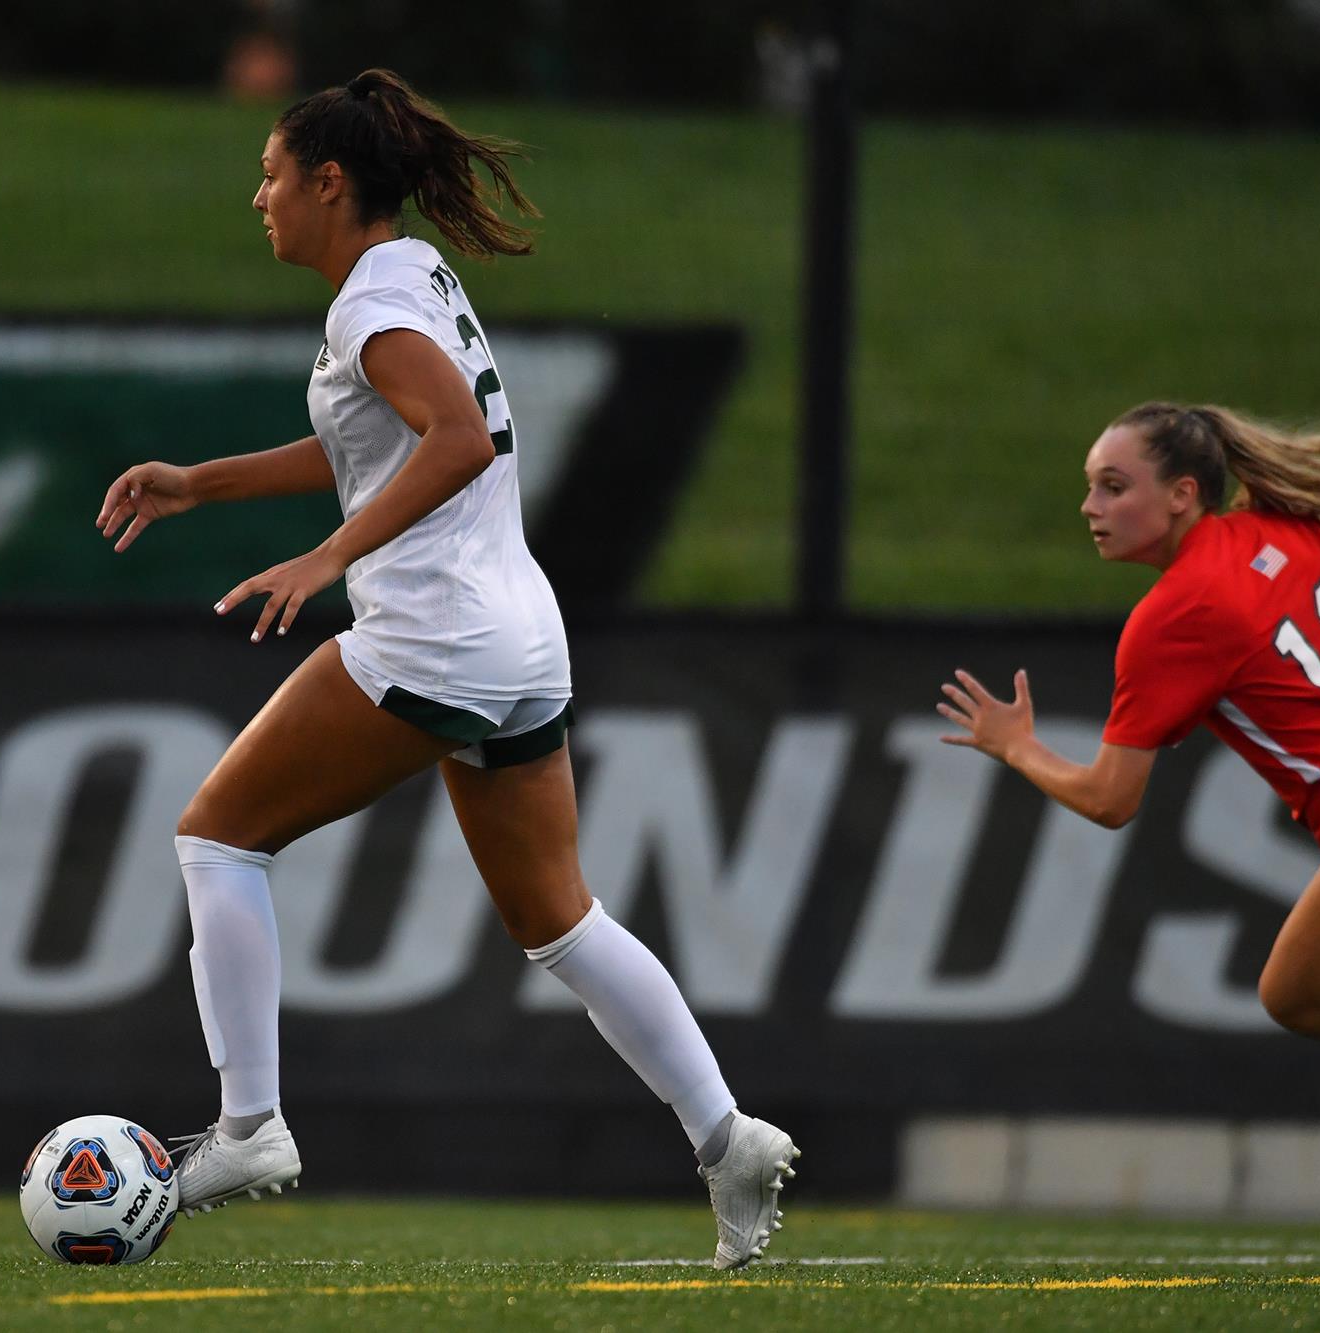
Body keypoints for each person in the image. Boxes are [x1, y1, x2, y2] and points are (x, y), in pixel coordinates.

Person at [94, 68, 796, 1269]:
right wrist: (200, 482)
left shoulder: (374, 305)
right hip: (519, 637)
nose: (254, 195)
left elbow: (455, 440)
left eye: (270, 174)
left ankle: (249, 1126)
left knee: (217, 838)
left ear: (327, 183)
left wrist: (324, 559)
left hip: (432, 636)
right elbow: (370, 445)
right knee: (558, 920)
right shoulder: (406, 278)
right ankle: (725, 1135)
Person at [938, 402, 1320, 1108]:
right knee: (1299, 992)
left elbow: (1110, 799)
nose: (1091, 506)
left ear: (1182, 493)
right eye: (1092, 487)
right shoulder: (1279, 525)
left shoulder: (1175, 614)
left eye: (1114, 487)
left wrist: (1019, 747)